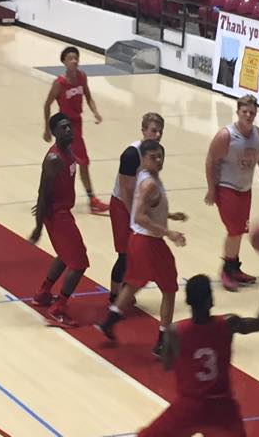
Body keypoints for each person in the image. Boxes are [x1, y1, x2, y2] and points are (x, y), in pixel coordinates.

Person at [136, 271, 259, 436]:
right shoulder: (229, 323)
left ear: (188, 301)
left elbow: (167, 365)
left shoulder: (175, 331)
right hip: (221, 408)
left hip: (189, 406)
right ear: (211, 300)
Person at [97, 140, 187, 357]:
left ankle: (111, 319)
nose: (158, 160)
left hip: (139, 240)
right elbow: (139, 216)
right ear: (144, 159)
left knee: (134, 283)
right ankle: (162, 340)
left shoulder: (146, 178)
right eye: (152, 157)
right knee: (169, 289)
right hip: (149, 242)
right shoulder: (150, 184)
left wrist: (169, 215)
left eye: (160, 156)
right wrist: (170, 233)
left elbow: (146, 208)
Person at [205, 94, 259, 291]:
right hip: (226, 187)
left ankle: (234, 268)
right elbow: (210, 160)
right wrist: (211, 189)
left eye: (252, 112)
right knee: (234, 231)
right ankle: (226, 271)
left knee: (240, 231)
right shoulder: (226, 135)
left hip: (245, 189)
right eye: (245, 112)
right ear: (238, 112)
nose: (249, 115)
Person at [29, 113, 89, 327]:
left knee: (65, 256)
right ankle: (58, 307)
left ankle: (43, 293)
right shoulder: (54, 159)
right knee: (80, 262)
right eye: (63, 128)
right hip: (58, 216)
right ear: (54, 132)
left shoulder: (70, 150)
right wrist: (38, 227)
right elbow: (42, 193)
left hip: (64, 211)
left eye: (69, 126)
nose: (69, 130)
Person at [43, 46, 109, 214]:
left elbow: (88, 96)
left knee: (68, 163)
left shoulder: (81, 77)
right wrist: (47, 128)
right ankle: (92, 200)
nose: (74, 61)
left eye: (76, 58)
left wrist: (95, 112)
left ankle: (56, 196)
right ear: (64, 61)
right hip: (65, 127)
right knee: (81, 163)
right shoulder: (59, 83)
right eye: (70, 58)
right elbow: (47, 104)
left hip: (77, 124)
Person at [107, 113, 165, 304]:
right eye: (153, 130)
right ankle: (114, 296)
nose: (157, 135)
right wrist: (136, 217)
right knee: (124, 254)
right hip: (121, 205)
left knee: (135, 253)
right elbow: (125, 190)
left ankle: (125, 291)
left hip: (137, 204)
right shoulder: (131, 154)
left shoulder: (157, 152)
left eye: (160, 132)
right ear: (143, 130)